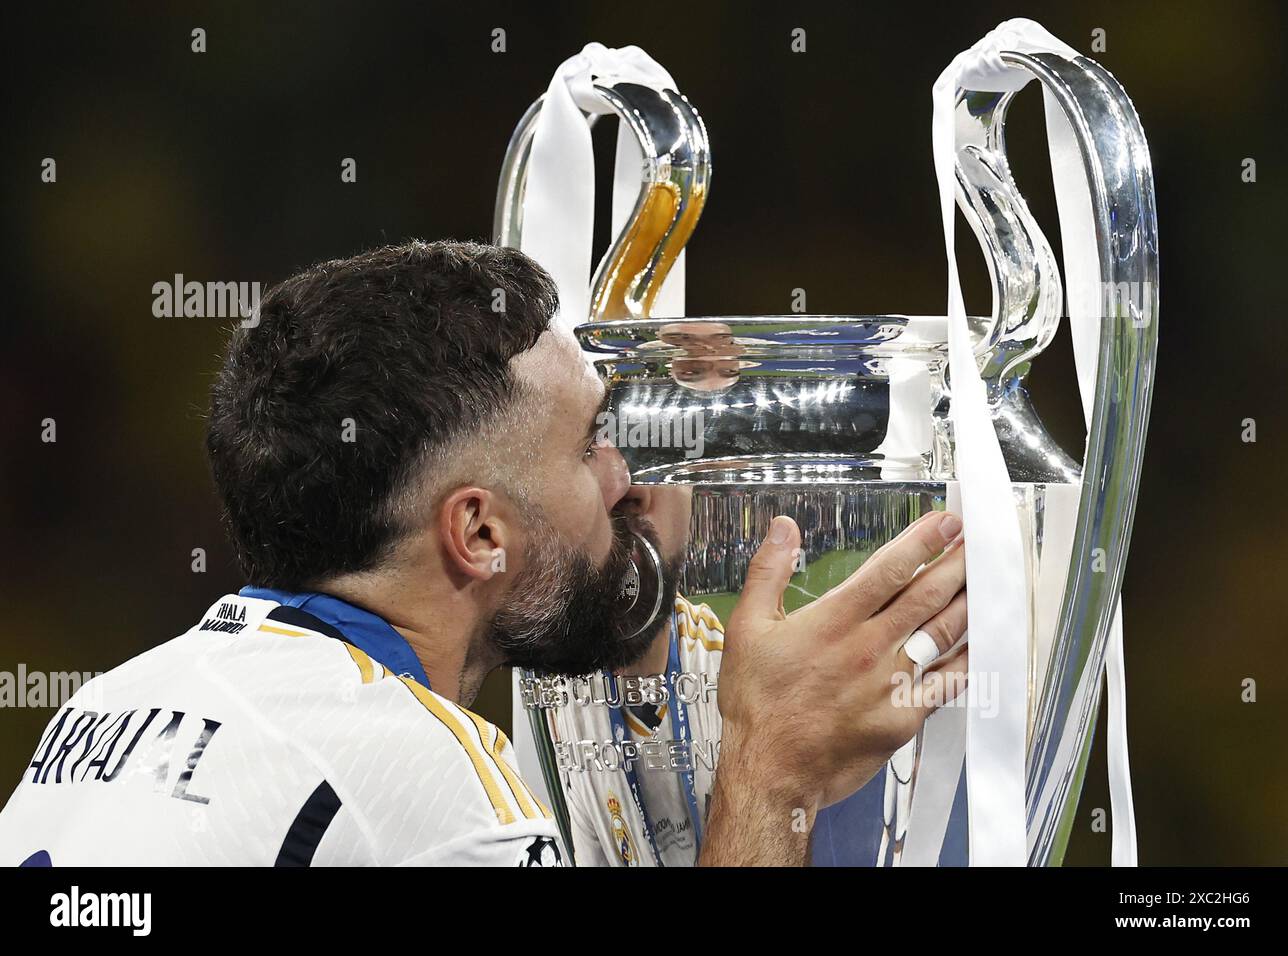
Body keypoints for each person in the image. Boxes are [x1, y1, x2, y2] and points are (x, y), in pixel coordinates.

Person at [0, 240, 968, 867]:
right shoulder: (433, 777)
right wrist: (769, 773)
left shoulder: (104, 707)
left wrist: (626, 600)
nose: (623, 470)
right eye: (590, 441)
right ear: (479, 533)